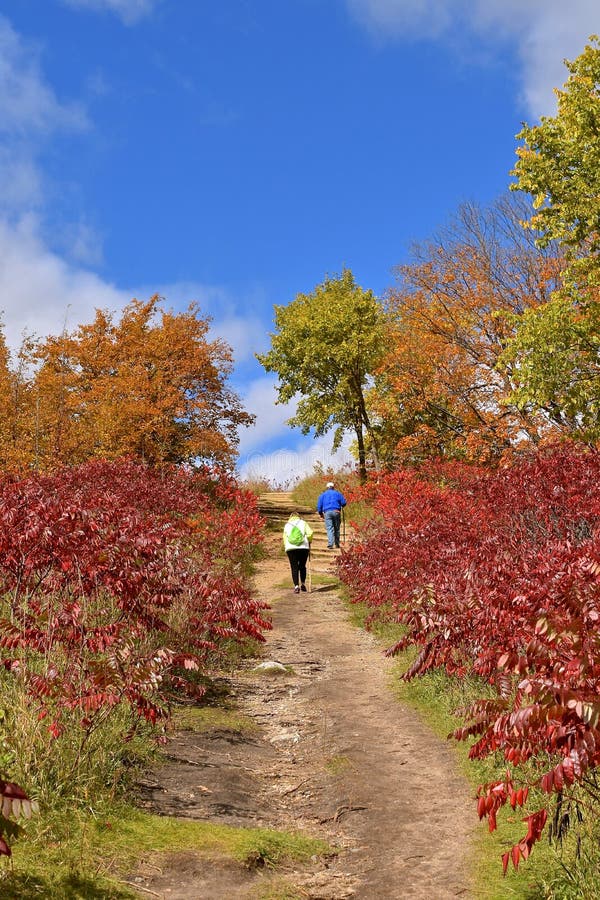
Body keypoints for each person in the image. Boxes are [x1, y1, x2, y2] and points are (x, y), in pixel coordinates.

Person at [283, 511, 313, 593]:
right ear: (299, 517)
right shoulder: (303, 523)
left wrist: (286, 546)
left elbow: (285, 538)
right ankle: (303, 583)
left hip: (291, 548)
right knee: (302, 566)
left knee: (294, 566)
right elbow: (310, 533)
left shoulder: (287, 525)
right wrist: (309, 541)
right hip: (303, 547)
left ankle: (296, 586)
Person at [316, 481, 347, 549]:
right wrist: (341, 504)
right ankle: (337, 543)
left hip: (327, 512)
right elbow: (344, 503)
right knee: (337, 528)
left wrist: (321, 514)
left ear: (327, 488)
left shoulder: (323, 495)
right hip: (336, 511)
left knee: (329, 528)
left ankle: (330, 544)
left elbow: (319, 506)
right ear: (333, 487)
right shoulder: (338, 494)